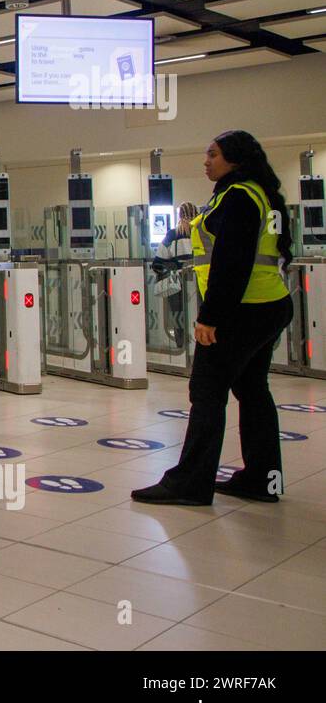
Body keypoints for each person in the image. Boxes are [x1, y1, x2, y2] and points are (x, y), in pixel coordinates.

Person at [133, 131, 295, 507]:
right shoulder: (261, 193)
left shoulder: (238, 197)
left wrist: (211, 317)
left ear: (234, 159)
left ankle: (190, 482)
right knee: (253, 389)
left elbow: (231, 264)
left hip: (243, 309)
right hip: (269, 304)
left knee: (207, 391)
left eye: (213, 154)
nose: (206, 161)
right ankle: (263, 478)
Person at [152, 202, 197, 351]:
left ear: (180, 215)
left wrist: (172, 267)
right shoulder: (202, 232)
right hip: (200, 284)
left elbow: (158, 263)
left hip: (177, 284)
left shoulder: (172, 235)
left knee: (179, 316)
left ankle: (182, 347)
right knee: (200, 315)